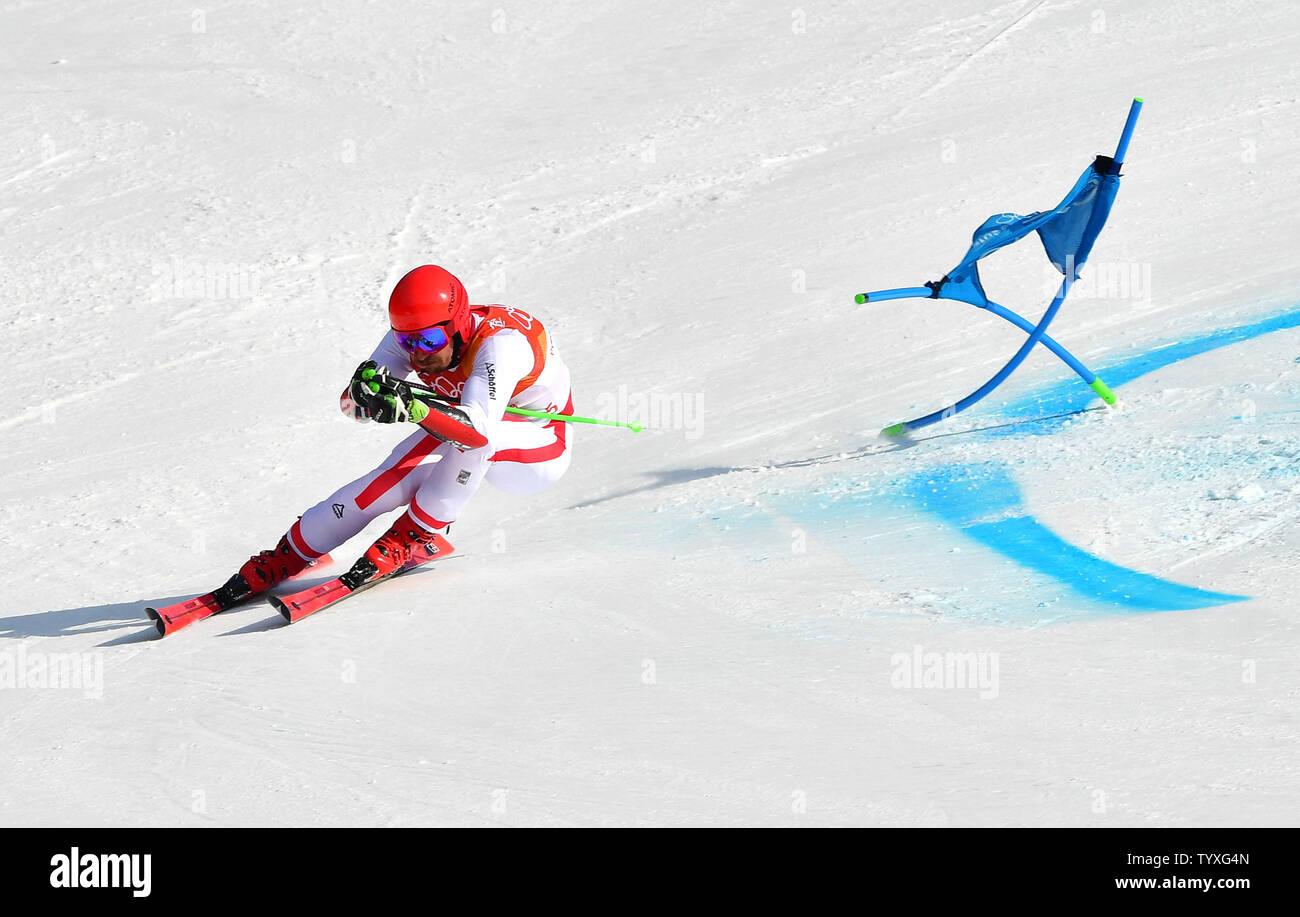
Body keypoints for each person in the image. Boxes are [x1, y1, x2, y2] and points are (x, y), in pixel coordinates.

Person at [214, 264, 573, 602]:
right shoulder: (415, 332)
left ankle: (410, 537)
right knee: (394, 472)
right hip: (467, 425)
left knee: (479, 443)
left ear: (459, 326)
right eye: (407, 343)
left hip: (539, 450)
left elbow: (477, 433)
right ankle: (290, 553)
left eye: (430, 342)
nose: (418, 356)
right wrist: (364, 394)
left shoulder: (501, 346)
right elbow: (351, 409)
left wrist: (414, 408)